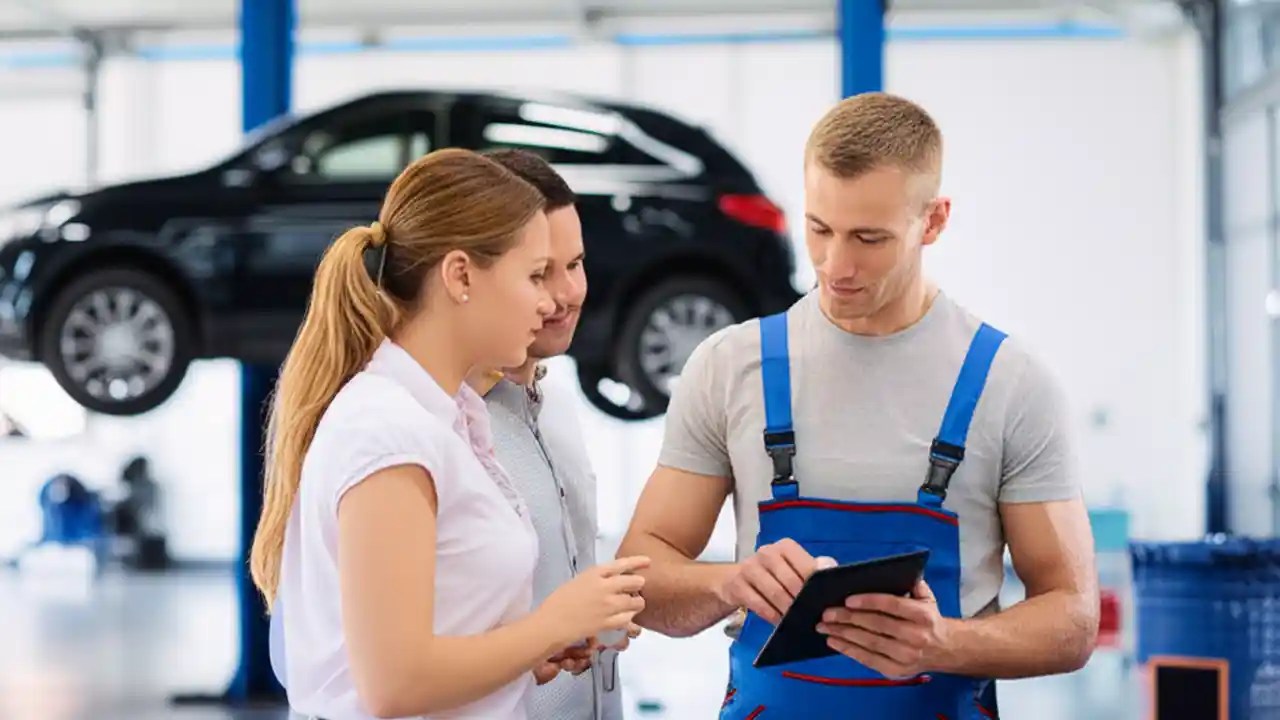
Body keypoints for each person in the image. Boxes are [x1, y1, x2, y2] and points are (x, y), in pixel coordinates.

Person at [616, 92, 1099, 719]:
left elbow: (1073, 614)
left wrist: (945, 643)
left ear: (934, 220)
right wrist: (727, 584)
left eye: (869, 238)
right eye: (820, 229)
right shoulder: (729, 368)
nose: (835, 266)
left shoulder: (1011, 383)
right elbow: (641, 578)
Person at [248, 148, 649, 720]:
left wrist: (527, 652)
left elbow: (436, 634)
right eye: (535, 275)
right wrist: (549, 624)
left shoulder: (448, 415)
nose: (550, 300)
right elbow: (394, 685)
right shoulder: (387, 433)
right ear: (461, 274)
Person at [466, 149, 635, 720]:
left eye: (576, 263)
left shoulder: (556, 405)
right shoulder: (438, 429)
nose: (565, 295)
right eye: (541, 272)